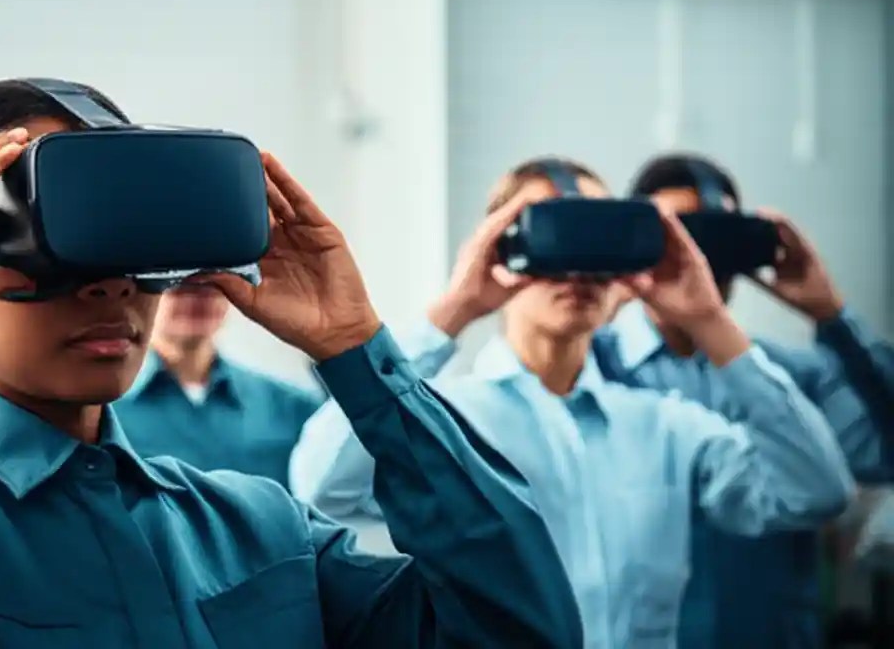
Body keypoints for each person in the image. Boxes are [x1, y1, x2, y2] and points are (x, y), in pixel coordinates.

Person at [0, 79, 584, 648]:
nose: (106, 283)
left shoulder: (260, 532)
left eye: (120, 234)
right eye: (39, 239)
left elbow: (524, 626)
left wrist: (359, 354)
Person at [290, 158, 855, 648]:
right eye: (554, 231)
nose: (577, 268)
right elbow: (321, 482)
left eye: (598, 234)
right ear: (498, 247)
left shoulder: (665, 427)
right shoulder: (444, 421)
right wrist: (456, 308)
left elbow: (815, 490)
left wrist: (708, 318)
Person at [598, 153, 894, 649]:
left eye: (714, 236)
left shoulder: (792, 377)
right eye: (671, 236)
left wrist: (833, 316)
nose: (694, 256)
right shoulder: (592, 369)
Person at [113, 283, 321, 486]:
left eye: (212, 287)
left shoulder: (293, 406)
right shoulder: (108, 411)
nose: (197, 299)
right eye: (179, 286)